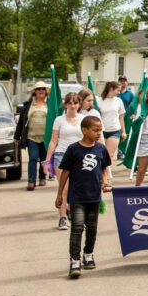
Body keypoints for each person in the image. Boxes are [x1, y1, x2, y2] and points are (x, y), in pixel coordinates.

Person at [55, 116, 112, 279]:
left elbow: (104, 168)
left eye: (100, 130)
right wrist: (60, 194)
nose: (98, 133)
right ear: (84, 130)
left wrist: (105, 182)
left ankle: (88, 254)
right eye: (95, 130)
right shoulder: (73, 149)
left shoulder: (101, 149)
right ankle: (74, 260)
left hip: (94, 197)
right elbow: (65, 171)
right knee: (77, 227)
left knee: (92, 228)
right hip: (77, 197)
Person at [45, 93, 85, 230]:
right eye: (70, 103)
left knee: (77, 188)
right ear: (66, 105)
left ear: (79, 104)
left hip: (79, 156)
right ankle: (62, 218)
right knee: (64, 188)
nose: (73, 106)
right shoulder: (59, 120)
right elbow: (53, 141)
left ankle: (72, 211)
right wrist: (47, 161)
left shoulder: (83, 119)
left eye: (75, 103)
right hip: (61, 155)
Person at [14, 81, 51, 190]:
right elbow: (21, 122)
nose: (41, 91)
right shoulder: (28, 105)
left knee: (44, 159)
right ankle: (31, 181)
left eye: (43, 89)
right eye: (38, 89)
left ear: (46, 91)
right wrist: (17, 136)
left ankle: (42, 177)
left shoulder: (50, 104)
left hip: (45, 138)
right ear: (34, 91)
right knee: (33, 158)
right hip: (31, 137)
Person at [98, 81, 126, 172]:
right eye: (118, 90)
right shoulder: (99, 101)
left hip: (114, 130)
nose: (119, 92)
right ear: (111, 89)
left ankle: (107, 175)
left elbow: (121, 117)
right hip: (101, 131)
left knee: (110, 155)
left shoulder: (118, 101)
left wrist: (123, 131)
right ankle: (99, 173)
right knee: (100, 154)